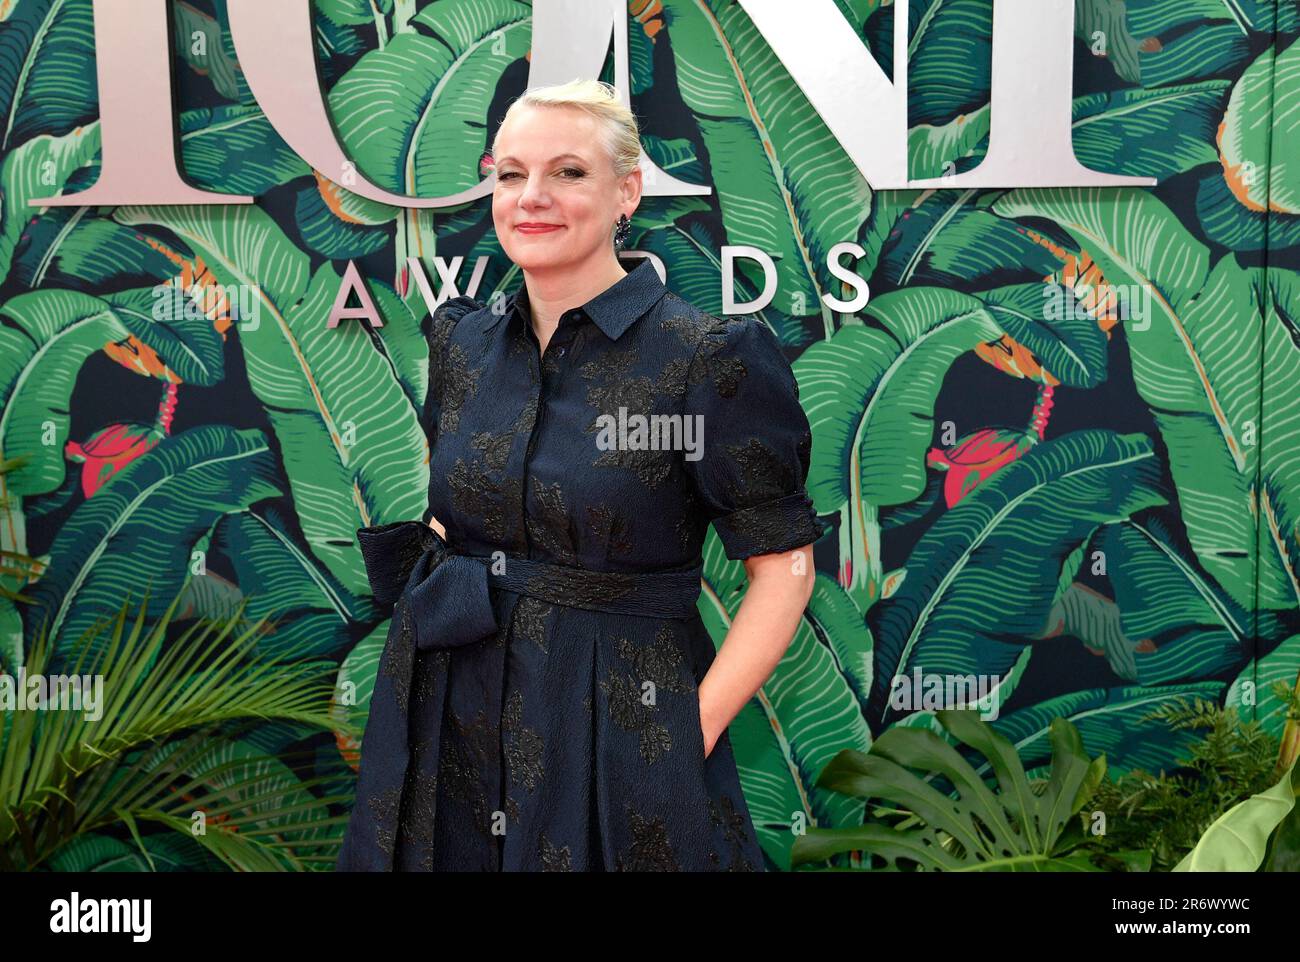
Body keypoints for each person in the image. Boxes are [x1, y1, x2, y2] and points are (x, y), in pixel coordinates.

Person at [336, 78, 826, 872]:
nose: (532, 197)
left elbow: (784, 571)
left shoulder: (705, 358)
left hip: (619, 717)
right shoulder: (462, 345)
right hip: (454, 710)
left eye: (568, 172)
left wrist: (687, 731)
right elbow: (457, 518)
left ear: (626, 191)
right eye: (511, 174)